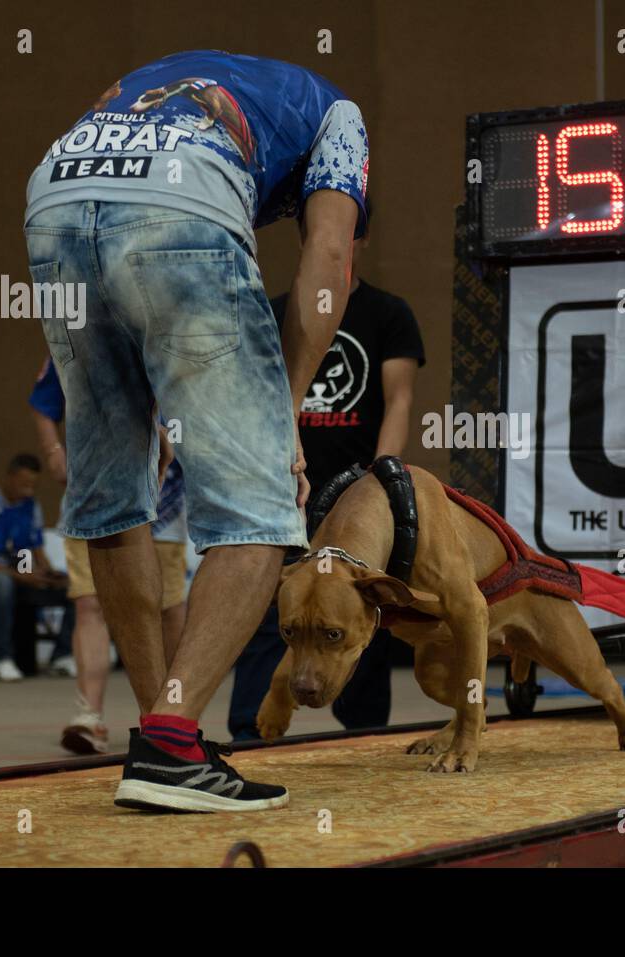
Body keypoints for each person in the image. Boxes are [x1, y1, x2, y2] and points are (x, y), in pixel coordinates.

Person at [23, 50, 367, 812]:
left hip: (53, 200)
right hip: (181, 205)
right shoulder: (339, 114)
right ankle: (175, 739)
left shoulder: (153, 77)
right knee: (259, 506)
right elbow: (331, 256)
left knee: (113, 492)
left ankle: (160, 738)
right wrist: (287, 413)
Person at [228, 199, 425, 738]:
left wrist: (383, 479)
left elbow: (399, 400)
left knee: (358, 608)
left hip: (356, 493)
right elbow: (252, 396)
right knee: (273, 613)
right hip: (285, 484)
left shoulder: (389, 314)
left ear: (360, 239)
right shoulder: (274, 312)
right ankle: (251, 730)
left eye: (348, 233)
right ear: (306, 237)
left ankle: (363, 729)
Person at [29, 356, 189, 754]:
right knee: (90, 603)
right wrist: (53, 450)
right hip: (93, 488)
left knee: (167, 607)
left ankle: (173, 715)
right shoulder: (77, 328)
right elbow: (44, 402)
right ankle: (89, 718)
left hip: (165, 497)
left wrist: (175, 440)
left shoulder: (172, 332)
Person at [0, 454, 74, 681]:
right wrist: (19, 576)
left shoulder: (31, 506)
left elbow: (36, 550)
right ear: (10, 478)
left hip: (23, 572)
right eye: (24, 484)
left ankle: (62, 656)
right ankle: (1, 658)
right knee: (3, 585)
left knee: (75, 588)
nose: (29, 490)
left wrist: (49, 573)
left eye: (33, 485)